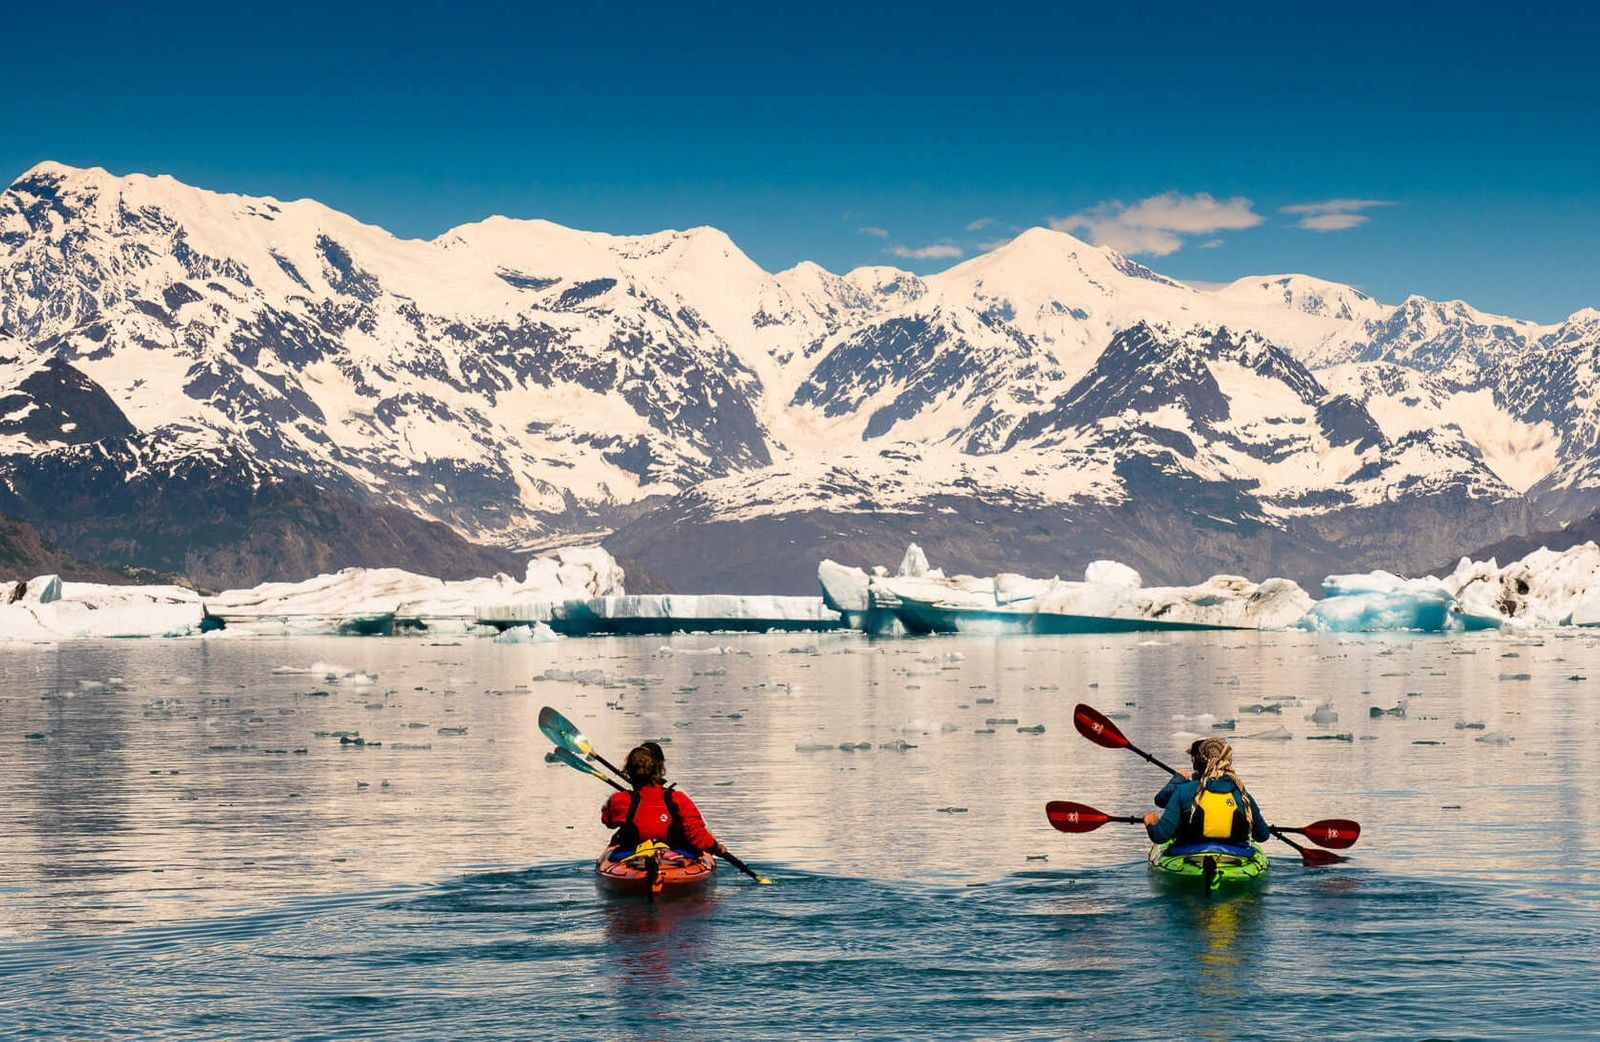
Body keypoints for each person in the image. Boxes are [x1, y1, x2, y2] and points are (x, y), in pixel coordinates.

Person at [600, 741, 725, 858]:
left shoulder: (619, 799)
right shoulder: (678, 798)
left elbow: (608, 821)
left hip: (632, 854)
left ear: (628, 772)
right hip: (676, 855)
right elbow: (696, 833)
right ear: (659, 770)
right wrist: (715, 847)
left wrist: (610, 804)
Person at [1142, 737, 1270, 848]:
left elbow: (1160, 836)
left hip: (1189, 856)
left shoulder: (1183, 791)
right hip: (1236, 858)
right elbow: (1262, 835)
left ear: (1195, 762)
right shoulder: (1243, 795)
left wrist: (1151, 823)